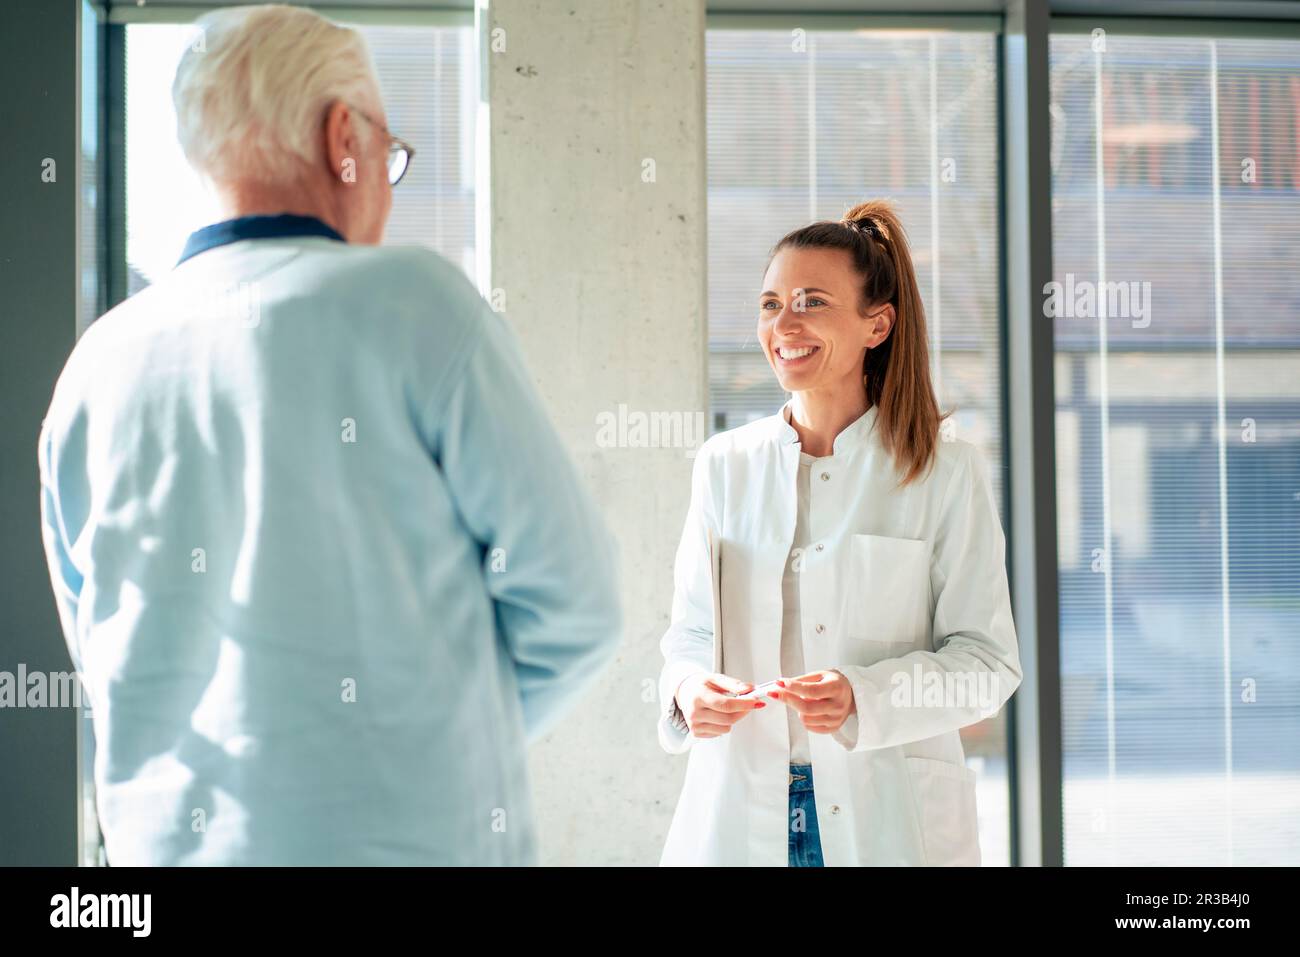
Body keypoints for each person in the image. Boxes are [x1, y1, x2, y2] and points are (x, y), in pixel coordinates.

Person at [37, 3, 621, 865]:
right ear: (341, 135)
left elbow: (110, 655)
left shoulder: (93, 368)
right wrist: (424, 747)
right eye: (388, 148)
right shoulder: (414, 305)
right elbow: (578, 604)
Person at [656, 200, 1021, 866]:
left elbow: (988, 662)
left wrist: (866, 695)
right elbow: (690, 632)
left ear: (877, 325)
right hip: (742, 812)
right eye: (770, 305)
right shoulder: (724, 466)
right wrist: (687, 688)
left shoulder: (943, 473)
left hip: (887, 818)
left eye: (811, 302)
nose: (783, 324)